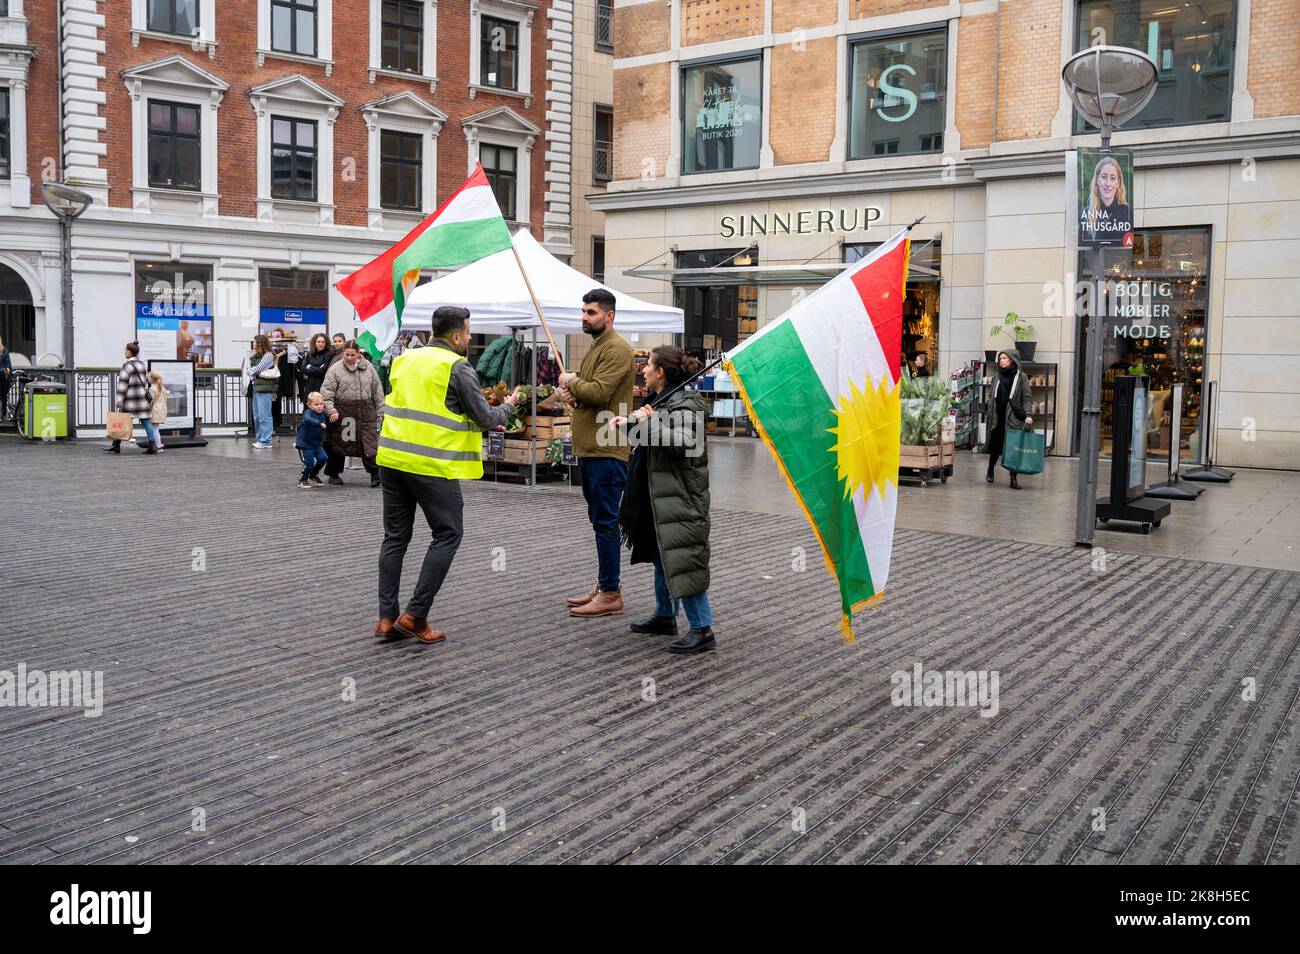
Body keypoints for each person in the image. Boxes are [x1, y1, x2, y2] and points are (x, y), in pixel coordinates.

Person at [374, 305, 523, 642]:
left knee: (395, 538)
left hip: (392, 457)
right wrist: (510, 404)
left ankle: (386, 617)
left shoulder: (405, 359)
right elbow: (485, 418)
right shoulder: (457, 367)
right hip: (431, 463)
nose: (469, 338)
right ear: (456, 337)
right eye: (468, 333)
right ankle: (416, 615)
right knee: (448, 533)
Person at [612, 346, 716, 654]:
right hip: (659, 496)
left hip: (681, 499)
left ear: (660, 372)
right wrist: (630, 424)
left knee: (683, 561)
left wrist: (648, 421)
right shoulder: (661, 401)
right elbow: (648, 439)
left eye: (648, 365)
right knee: (662, 556)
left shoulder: (688, 404)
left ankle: (702, 629)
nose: (643, 370)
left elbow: (684, 443)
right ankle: (665, 615)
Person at [558, 288, 636, 619]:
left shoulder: (616, 348)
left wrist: (570, 380)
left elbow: (600, 392)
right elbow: (589, 394)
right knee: (599, 521)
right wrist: (573, 393)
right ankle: (604, 584)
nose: (585, 317)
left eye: (591, 312)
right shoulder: (597, 347)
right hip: (592, 448)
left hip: (607, 448)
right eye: (584, 311)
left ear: (609, 315)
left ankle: (611, 592)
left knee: (605, 522)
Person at [320, 339, 385, 486]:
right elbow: (326, 393)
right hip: (343, 412)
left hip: (366, 412)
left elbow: (377, 391)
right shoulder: (335, 369)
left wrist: (381, 411)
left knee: (368, 444)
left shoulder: (369, 367)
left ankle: (375, 475)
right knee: (338, 443)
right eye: (347, 354)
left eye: (352, 355)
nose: (349, 358)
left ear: (358, 354)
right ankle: (333, 474)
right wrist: (331, 411)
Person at [985, 348, 1034, 489]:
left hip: (1013, 418)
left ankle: (1013, 478)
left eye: (1004, 358)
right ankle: (990, 469)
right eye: (1000, 359)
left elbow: (1027, 398)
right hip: (997, 417)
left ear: (1012, 360)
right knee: (996, 446)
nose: (1001, 361)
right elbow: (991, 397)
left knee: (1013, 448)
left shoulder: (1021, 377)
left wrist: (1028, 415)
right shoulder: (996, 377)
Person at [105, 341, 160, 455]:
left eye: (125, 350)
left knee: (122, 421)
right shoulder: (142, 365)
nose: (124, 352)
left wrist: (119, 401)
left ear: (129, 352)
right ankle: (152, 446)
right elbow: (145, 383)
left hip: (130, 400)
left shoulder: (127, 366)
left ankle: (116, 445)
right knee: (146, 422)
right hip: (142, 399)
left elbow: (123, 384)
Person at [1082, 156, 1132, 245]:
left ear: (1118, 183)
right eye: (1104, 177)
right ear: (1097, 180)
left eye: (1112, 178)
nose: (1108, 183)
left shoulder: (1128, 213)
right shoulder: (1085, 214)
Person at [247, 334, 278, 449]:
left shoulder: (268, 355)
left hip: (265, 387)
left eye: (255, 341)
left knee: (264, 415)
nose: (253, 343)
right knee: (257, 415)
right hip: (257, 386)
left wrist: (251, 371)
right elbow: (253, 370)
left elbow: (258, 369)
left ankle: (266, 441)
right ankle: (260, 439)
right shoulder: (257, 355)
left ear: (260, 343)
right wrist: (252, 371)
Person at [295, 391, 329, 489]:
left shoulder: (323, 414)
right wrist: (319, 424)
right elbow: (307, 419)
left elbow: (330, 422)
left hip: (316, 444)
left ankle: (313, 475)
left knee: (323, 458)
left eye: (321, 404)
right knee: (309, 463)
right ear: (309, 405)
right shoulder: (308, 413)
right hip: (304, 444)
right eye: (316, 404)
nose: (319, 406)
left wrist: (333, 418)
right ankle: (302, 480)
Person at [298, 333, 333, 403]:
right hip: (309, 385)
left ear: (326, 343)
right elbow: (303, 368)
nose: (321, 344)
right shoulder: (310, 354)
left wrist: (310, 366)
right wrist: (317, 369)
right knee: (308, 405)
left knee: (319, 405)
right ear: (315, 343)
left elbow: (323, 371)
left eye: (323, 342)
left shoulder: (328, 354)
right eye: (318, 342)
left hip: (322, 385)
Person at [146, 369, 168, 453]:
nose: (148, 379)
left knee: (154, 429)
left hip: (155, 410)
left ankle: (158, 446)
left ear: (152, 379)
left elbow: (150, 401)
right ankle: (159, 445)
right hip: (161, 409)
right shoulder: (162, 387)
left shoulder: (152, 389)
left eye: (148, 378)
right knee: (156, 429)